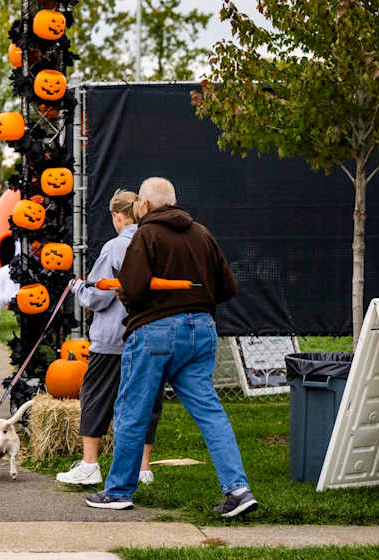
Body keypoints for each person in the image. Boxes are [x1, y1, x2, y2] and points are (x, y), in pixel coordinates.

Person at [86, 177, 258, 518]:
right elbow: (228, 286)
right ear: (174, 202)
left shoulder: (146, 234)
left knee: (132, 410)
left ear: (145, 205)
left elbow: (133, 289)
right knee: (209, 411)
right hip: (201, 331)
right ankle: (238, 490)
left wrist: (126, 294)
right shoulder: (202, 234)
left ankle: (118, 491)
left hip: (154, 332)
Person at [57, 189, 162, 486]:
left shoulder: (115, 247)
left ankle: (90, 464)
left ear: (117, 216)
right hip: (148, 337)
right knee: (145, 401)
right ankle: (143, 468)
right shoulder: (155, 243)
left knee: (96, 397)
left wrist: (79, 287)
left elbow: (99, 297)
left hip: (113, 338)